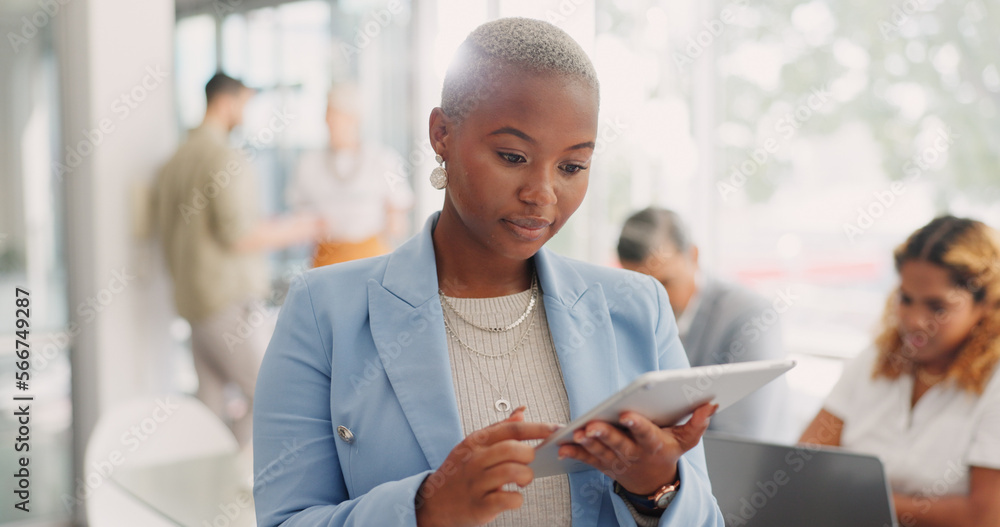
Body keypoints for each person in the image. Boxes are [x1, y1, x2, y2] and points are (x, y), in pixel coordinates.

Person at [253, 18, 724, 527]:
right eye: (512, 156)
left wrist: (657, 489)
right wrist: (425, 510)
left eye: (571, 167)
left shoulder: (637, 307)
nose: (542, 194)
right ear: (442, 134)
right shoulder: (324, 312)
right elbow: (286, 520)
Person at [152, 72, 322, 445]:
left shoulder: (176, 160)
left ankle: (213, 479)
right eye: (244, 104)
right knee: (269, 396)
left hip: (194, 303)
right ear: (226, 102)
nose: (246, 113)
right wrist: (304, 228)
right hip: (226, 303)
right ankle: (241, 476)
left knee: (209, 408)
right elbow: (240, 235)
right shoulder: (224, 157)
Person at [800, 215, 1000, 527]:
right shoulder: (876, 359)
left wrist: (858, 498)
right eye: (906, 299)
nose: (915, 321)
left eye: (937, 307)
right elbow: (804, 463)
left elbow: (985, 517)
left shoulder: (994, 381)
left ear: (986, 303)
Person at [618, 207, 789, 442]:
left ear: (694, 255)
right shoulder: (627, 319)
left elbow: (739, 439)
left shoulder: (750, 317)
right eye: (641, 288)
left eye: (666, 283)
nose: (654, 301)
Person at [286, 83, 414, 268]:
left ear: (355, 118)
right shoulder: (308, 162)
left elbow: (398, 218)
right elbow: (299, 214)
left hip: (373, 257)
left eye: (337, 115)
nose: (331, 122)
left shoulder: (382, 159)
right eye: (328, 114)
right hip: (326, 259)